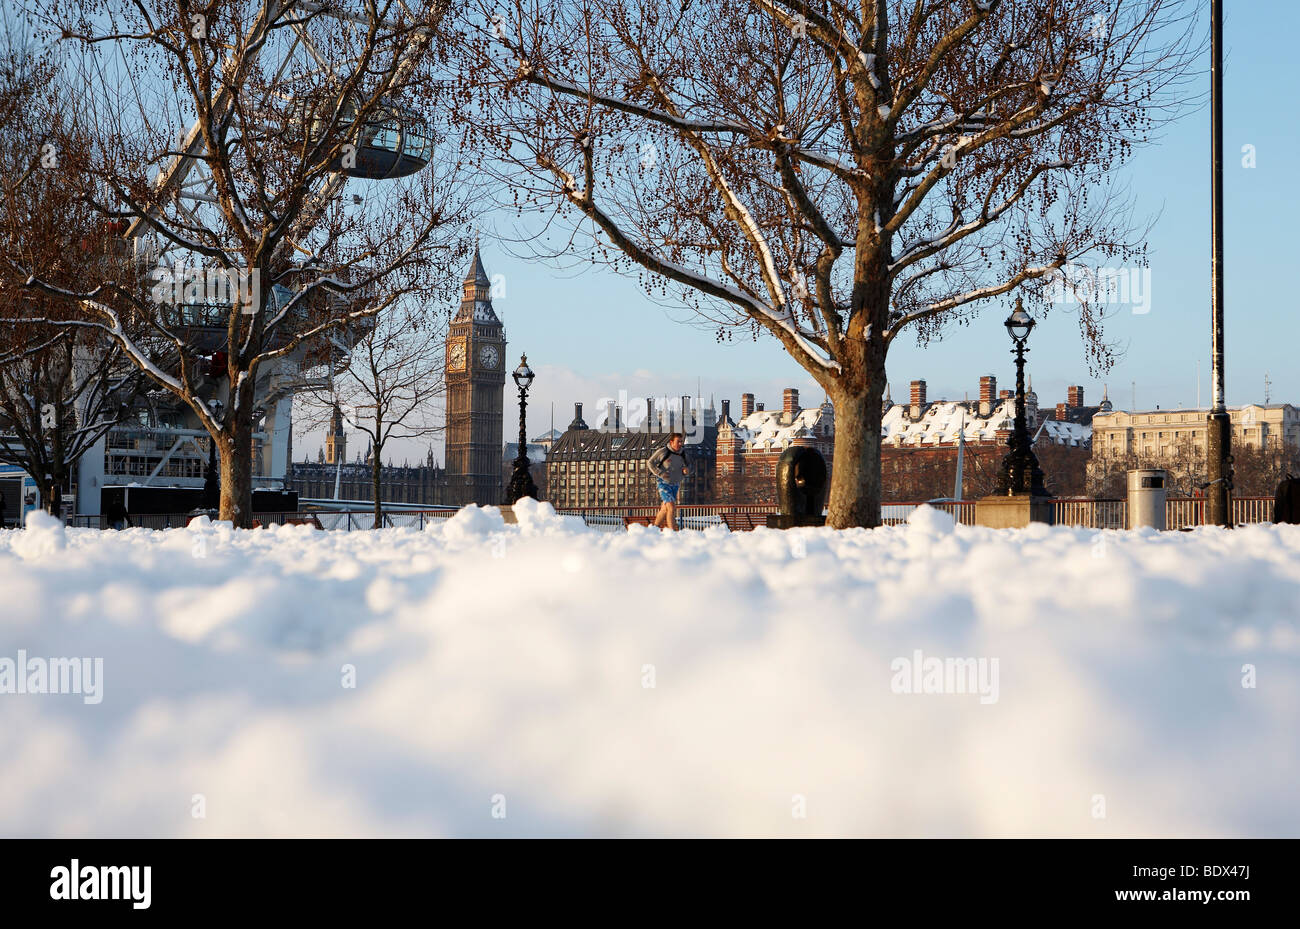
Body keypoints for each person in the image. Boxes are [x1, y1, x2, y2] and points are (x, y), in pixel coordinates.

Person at [648, 432, 688, 531]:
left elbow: (690, 466)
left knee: (665, 508)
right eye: (678, 441)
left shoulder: (683, 453)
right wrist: (659, 473)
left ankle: (654, 529)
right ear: (671, 442)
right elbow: (650, 462)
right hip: (663, 483)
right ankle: (672, 532)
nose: (680, 444)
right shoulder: (663, 451)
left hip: (675, 484)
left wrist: (687, 470)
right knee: (671, 506)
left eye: (681, 441)